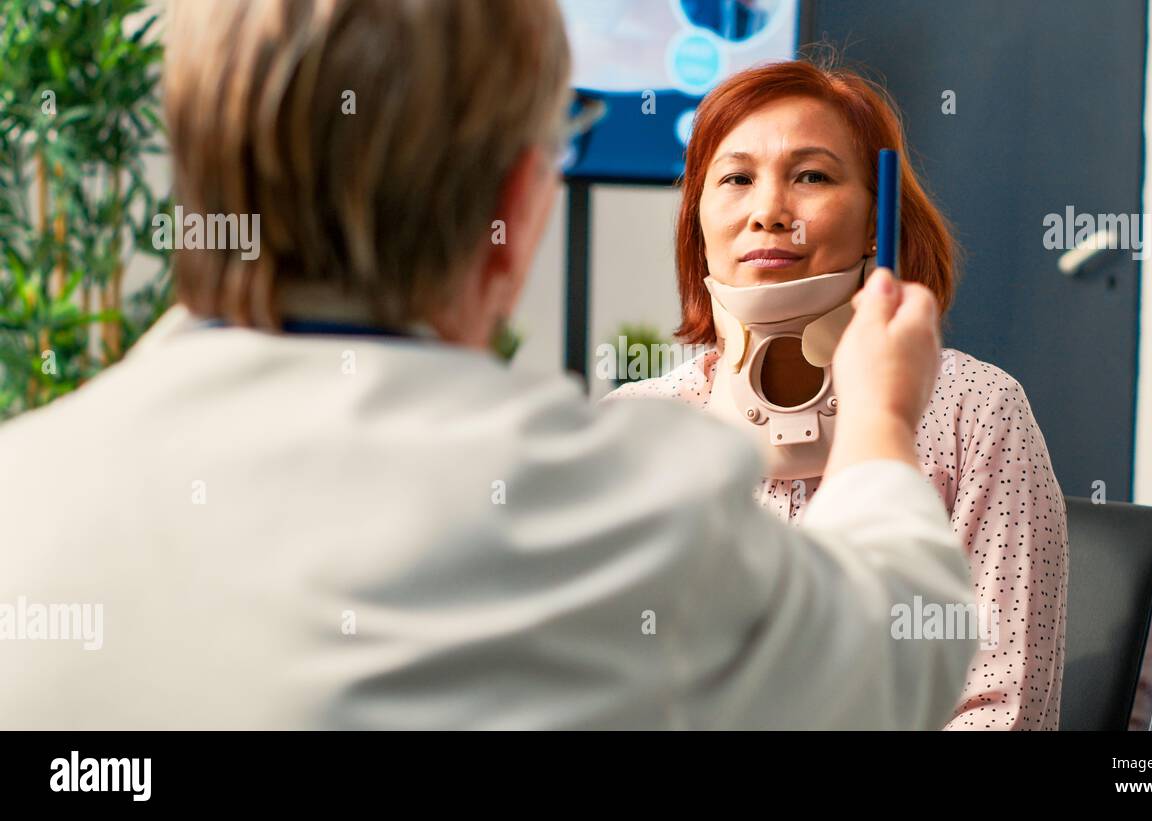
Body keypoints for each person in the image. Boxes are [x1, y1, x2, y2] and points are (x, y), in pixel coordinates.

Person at [0, 0, 973, 729]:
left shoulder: (24, 486)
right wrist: (883, 419)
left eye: (810, 174)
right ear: (514, 207)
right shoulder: (616, 504)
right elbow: (897, 651)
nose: (769, 210)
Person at [605, 60, 1070, 730]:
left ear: (878, 221)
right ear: (697, 221)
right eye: (736, 178)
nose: (768, 211)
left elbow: (1002, 710)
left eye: (811, 176)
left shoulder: (976, 411)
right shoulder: (637, 429)